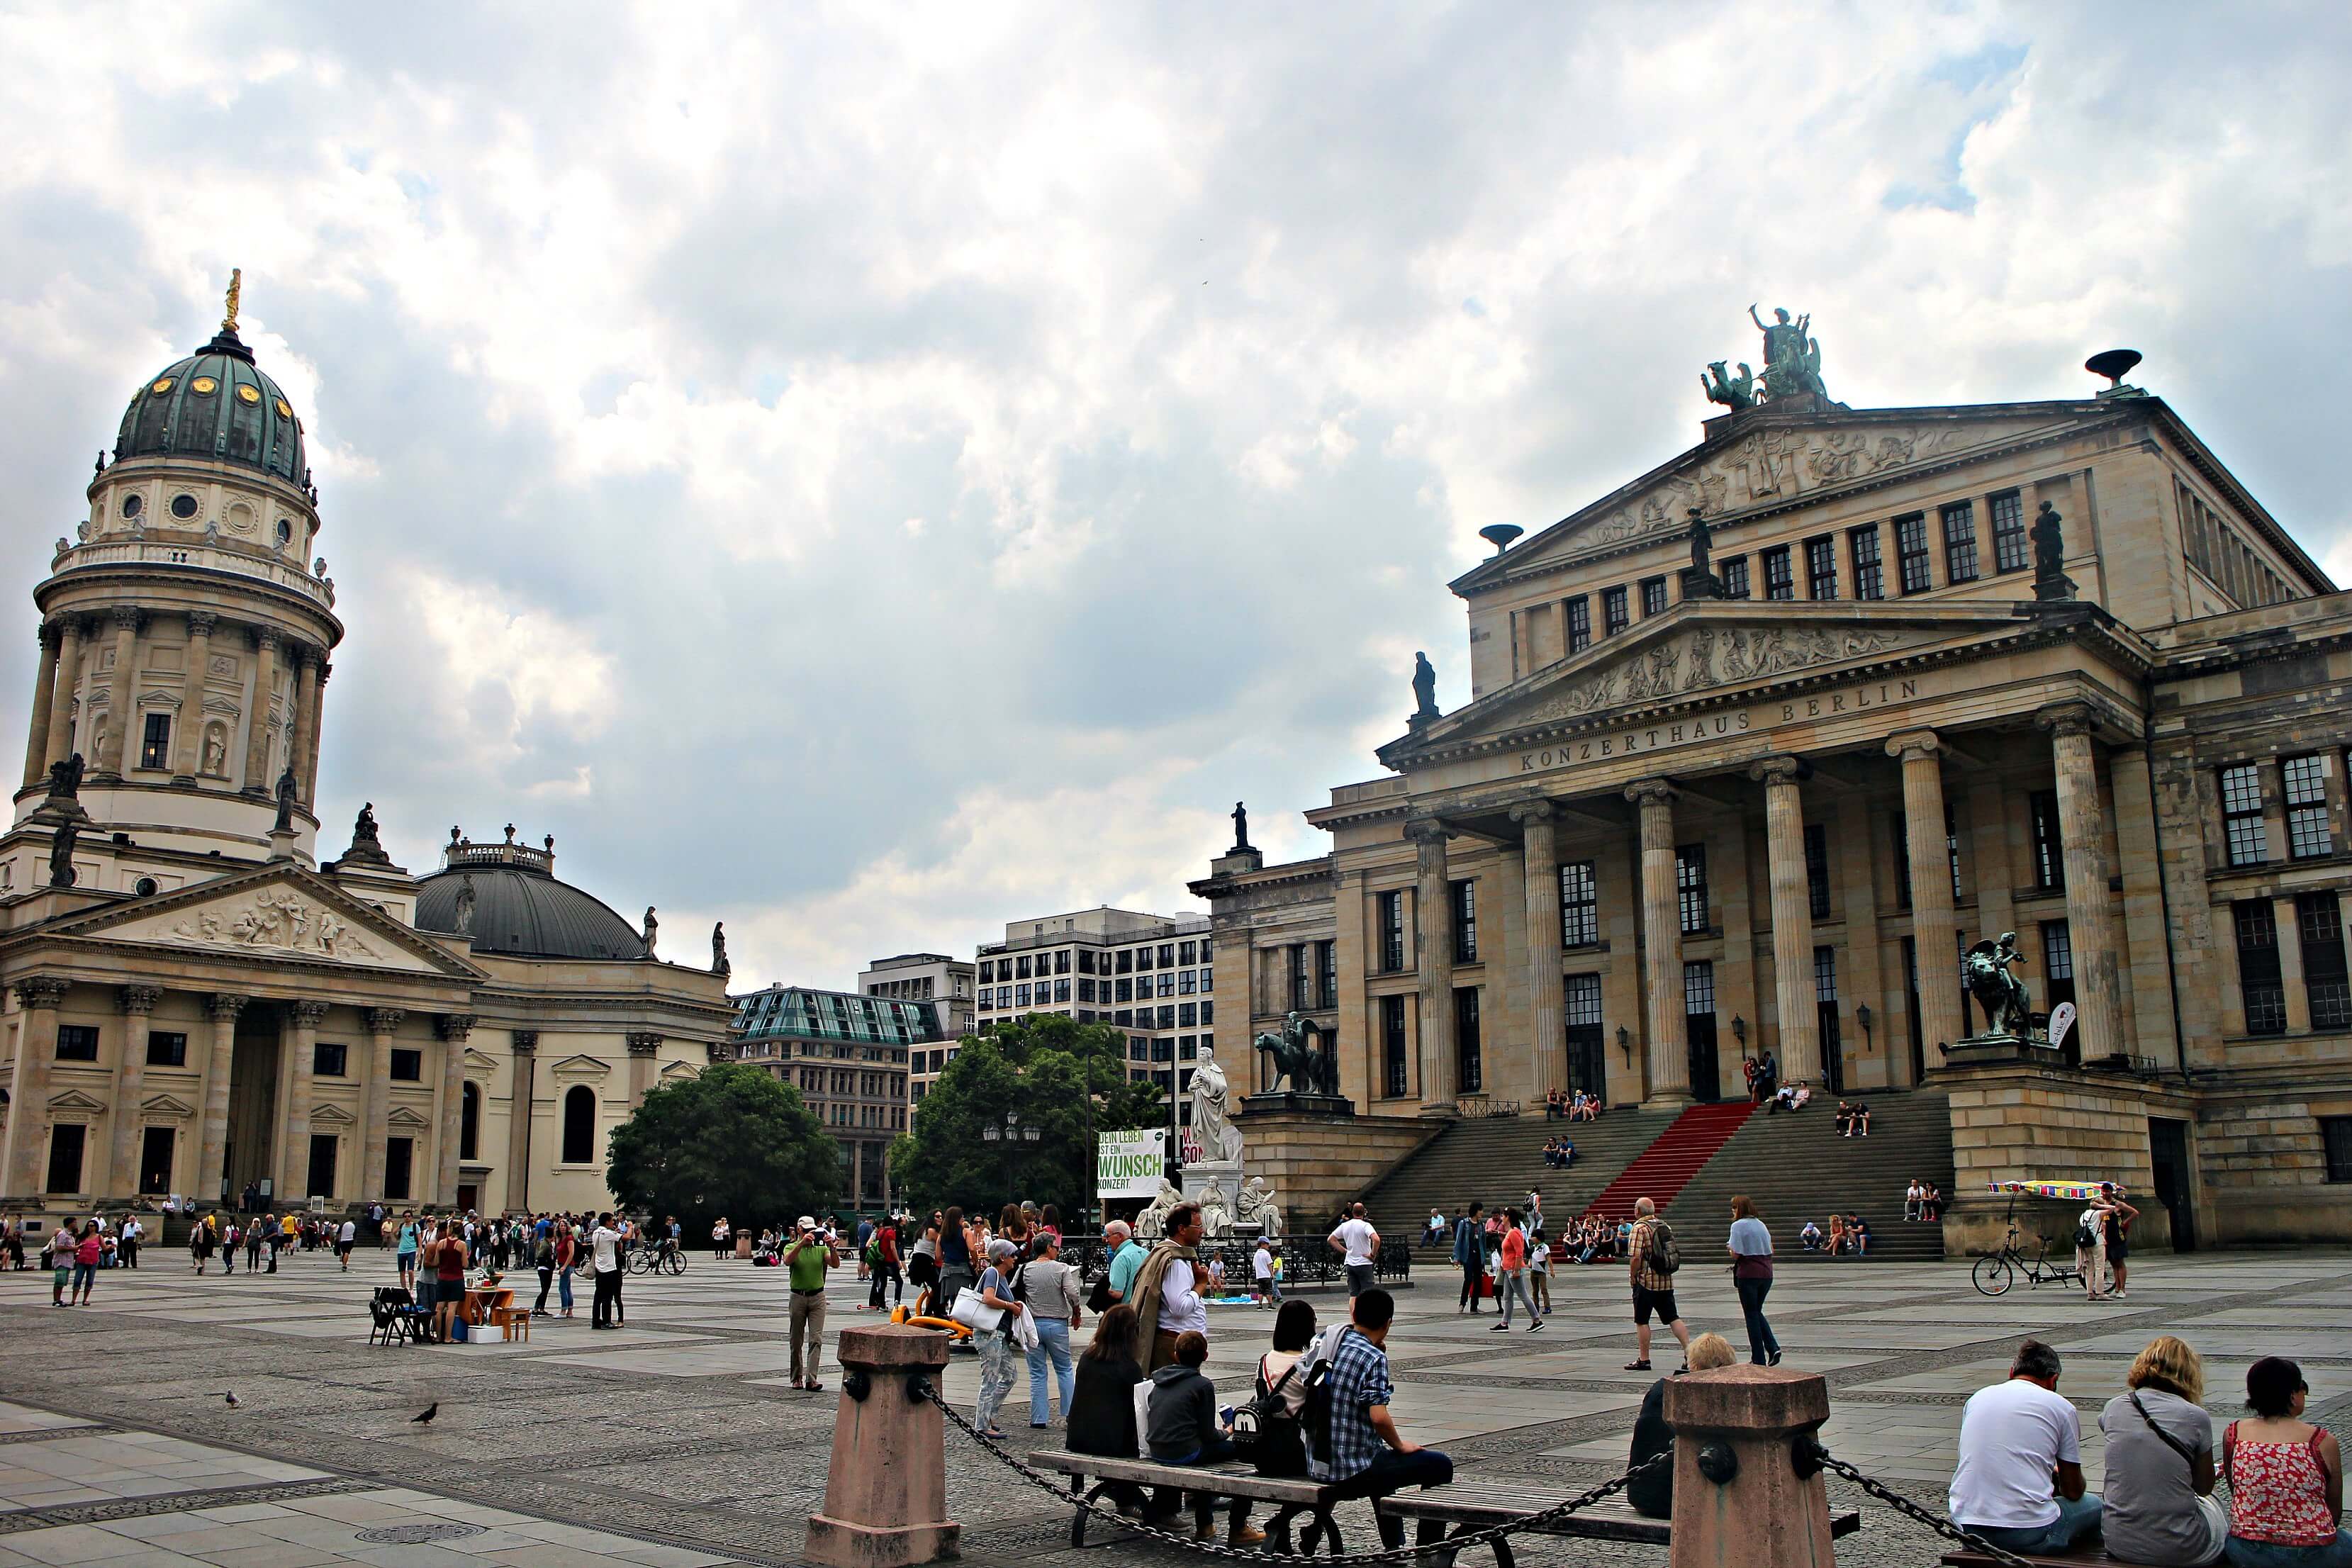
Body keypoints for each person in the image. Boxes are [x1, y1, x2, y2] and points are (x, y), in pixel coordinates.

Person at [1301, 1287, 1454, 1550]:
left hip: (1317, 1462)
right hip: (1352, 1471)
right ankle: (1429, 1547)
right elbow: (1379, 1418)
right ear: (1388, 1323)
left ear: (1355, 1315)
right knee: (1440, 1466)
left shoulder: (1329, 1340)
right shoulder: (1373, 1358)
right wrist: (1400, 1445)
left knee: (1382, 1463)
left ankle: (1394, 1546)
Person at [1949, 1338, 2102, 1555]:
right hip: (2029, 1531)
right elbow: (2074, 1490)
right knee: (2095, 1506)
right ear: (2053, 1380)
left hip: (1969, 1526)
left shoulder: (1977, 1398)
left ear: (2012, 1372)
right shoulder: (2061, 1407)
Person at [2101, 1335, 2224, 1566]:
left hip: (2119, 1542)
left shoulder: (2114, 1407)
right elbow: (2204, 1487)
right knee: (2216, 1506)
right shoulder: (2195, 1417)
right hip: (2180, 1547)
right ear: (2189, 1373)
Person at [2222, 1355, 2351, 1566]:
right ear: (2292, 1395)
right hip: (2314, 1552)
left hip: (2248, 1550)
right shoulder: (2321, 1441)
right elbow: (2334, 1512)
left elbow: (2237, 1490)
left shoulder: (2234, 1434)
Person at [1148, 1330, 1257, 1542]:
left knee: (1205, 1464)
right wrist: (1228, 1431)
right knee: (1244, 1449)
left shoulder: (1159, 1380)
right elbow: (1208, 1435)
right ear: (1206, 1356)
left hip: (1158, 1449)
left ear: (1176, 1355)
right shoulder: (1202, 1385)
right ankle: (1239, 1524)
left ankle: (1206, 1524)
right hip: (1184, 1452)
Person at [1628, 1333, 1739, 1517]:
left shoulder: (1660, 1388)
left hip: (1640, 1491)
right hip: (1674, 1498)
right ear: (1721, 1367)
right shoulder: (1707, 1395)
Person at [1068, 1304, 1153, 1519]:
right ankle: (1159, 1508)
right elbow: (1137, 1415)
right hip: (1111, 1445)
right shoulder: (1129, 1368)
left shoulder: (1088, 1359)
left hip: (1079, 1438)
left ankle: (1124, 1498)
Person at [1126, 1204, 1207, 1373]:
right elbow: (1179, 1307)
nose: (1203, 1230)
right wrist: (1200, 1285)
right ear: (1182, 1229)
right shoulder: (1176, 1260)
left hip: (1178, 1342)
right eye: (1198, 1226)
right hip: (1175, 1345)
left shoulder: (1172, 1254)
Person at [1022, 1231, 1082, 1428]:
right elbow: (1072, 1293)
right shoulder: (1061, 1268)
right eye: (1055, 1247)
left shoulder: (1026, 1269)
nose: (1057, 1250)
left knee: (1037, 1373)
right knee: (1064, 1369)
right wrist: (1076, 1311)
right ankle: (1070, 1414)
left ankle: (1039, 1418)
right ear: (1049, 1248)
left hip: (1033, 1325)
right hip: (1057, 1324)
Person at [1625, 1197, 1689, 1372]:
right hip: (1666, 1280)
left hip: (1646, 1281)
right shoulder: (1664, 1226)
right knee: (1673, 1318)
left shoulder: (1639, 1228)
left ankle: (1644, 1359)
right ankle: (1690, 1355)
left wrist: (1633, 1276)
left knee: (1642, 1320)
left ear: (1637, 1211)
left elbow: (1636, 1257)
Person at [973, 1238, 1026, 1440]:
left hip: (998, 1334)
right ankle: (982, 1424)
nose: (1015, 1259)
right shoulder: (992, 1273)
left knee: (1010, 1376)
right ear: (1002, 1257)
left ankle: (990, 1416)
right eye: (1012, 1255)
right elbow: (988, 1298)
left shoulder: (1002, 1277)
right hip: (989, 1333)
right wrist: (1009, 1306)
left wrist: (1013, 1304)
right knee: (991, 1378)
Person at [1728, 1195, 1781, 1367]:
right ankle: (1773, 1347)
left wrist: (1730, 1250)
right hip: (1766, 1272)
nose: (1732, 1211)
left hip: (1749, 1273)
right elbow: (1771, 1248)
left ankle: (1758, 1357)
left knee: (1751, 1315)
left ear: (1739, 1209)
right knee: (1756, 1311)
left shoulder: (1737, 1225)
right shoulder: (1760, 1224)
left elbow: (1736, 1253)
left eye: (1734, 1208)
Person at [1491, 1208, 1542, 1333]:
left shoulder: (1514, 1232)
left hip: (1513, 1269)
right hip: (1507, 1269)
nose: (1501, 1218)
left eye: (1503, 1216)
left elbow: (1519, 1253)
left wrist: (1516, 1270)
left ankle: (1537, 1320)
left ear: (1508, 1217)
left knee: (1523, 1295)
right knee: (1508, 1297)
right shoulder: (1510, 1232)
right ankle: (1505, 1323)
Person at [1328, 1202, 1380, 1299]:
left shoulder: (1345, 1225)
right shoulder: (1366, 1225)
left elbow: (1331, 1239)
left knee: (1353, 1295)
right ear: (1364, 1213)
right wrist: (1373, 1254)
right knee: (1368, 1294)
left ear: (1352, 1212)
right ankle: (1365, 1314)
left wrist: (1344, 1251)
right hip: (1364, 1262)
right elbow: (1376, 1240)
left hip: (1350, 1263)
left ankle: (1353, 1315)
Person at [2101, 1185, 2140, 1299]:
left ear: (2111, 1192)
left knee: (2120, 1263)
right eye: (2103, 1192)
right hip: (2107, 1239)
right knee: (2113, 1264)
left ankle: (2122, 1289)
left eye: (2107, 1192)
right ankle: (2117, 1288)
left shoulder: (2118, 1204)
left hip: (2118, 1237)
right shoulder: (2102, 1205)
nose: (2105, 1194)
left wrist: (2125, 1222)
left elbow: (2135, 1212)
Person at [432, 1224, 468, 1344]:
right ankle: (448, 1337)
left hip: (442, 1278)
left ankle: (438, 1336)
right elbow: (465, 1264)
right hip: (456, 1278)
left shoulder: (441, 1243)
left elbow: (436, 1261)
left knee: (439, 1307)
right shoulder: (462, 1245)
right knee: (452, 1308)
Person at [587, 1211, 622, 1331]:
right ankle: (606, 1321)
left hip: (599, 1268)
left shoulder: (596, 1232)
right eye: (612, 1220)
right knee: (607, 1297)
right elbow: (626, 1237)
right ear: (607, 1221)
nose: (613, 1222)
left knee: (598, 1296)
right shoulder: (608, 1233)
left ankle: (595, 1321)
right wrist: (630, 1228)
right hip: (609, 1269)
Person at [1452, 1202, 1486, 1315]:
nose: (1482, 1212)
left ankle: (1474, 1306)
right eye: (1480, 1210)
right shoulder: (1464, 1223)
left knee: (1478, 1281)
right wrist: (1456, 1257)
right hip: (1468, 1256)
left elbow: (1483, 1242)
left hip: (1478, 1256)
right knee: (1468, 1279)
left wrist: (1484, 1257)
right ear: (1475, 1211)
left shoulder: (1481, 1225)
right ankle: (1462, 1303)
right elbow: (1458, 1241)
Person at [1102, 1219, 1146, 1309]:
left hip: (1128, 1312)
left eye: (1108, 1236)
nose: (1106, 1240)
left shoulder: (1121, 1258)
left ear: (1120, 1236)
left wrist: (1101, 1289)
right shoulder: (1146, 1253)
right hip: (1147, 1309)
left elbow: (1116, 1293)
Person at [1253, 1238, 1278, 1306]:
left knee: (1260, 1291)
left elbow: (1254, 1265)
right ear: (1263, 1244)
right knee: (1268, 1291)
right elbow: (1269, 1265)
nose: (1268, 1246)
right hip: (1266, 1275)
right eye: (1267, 1244)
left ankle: (1260, 1305)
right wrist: (1272, 1274)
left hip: (1259, 1276)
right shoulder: (1266, 1254)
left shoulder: (1256, 1254)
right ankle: (1270, 1305)